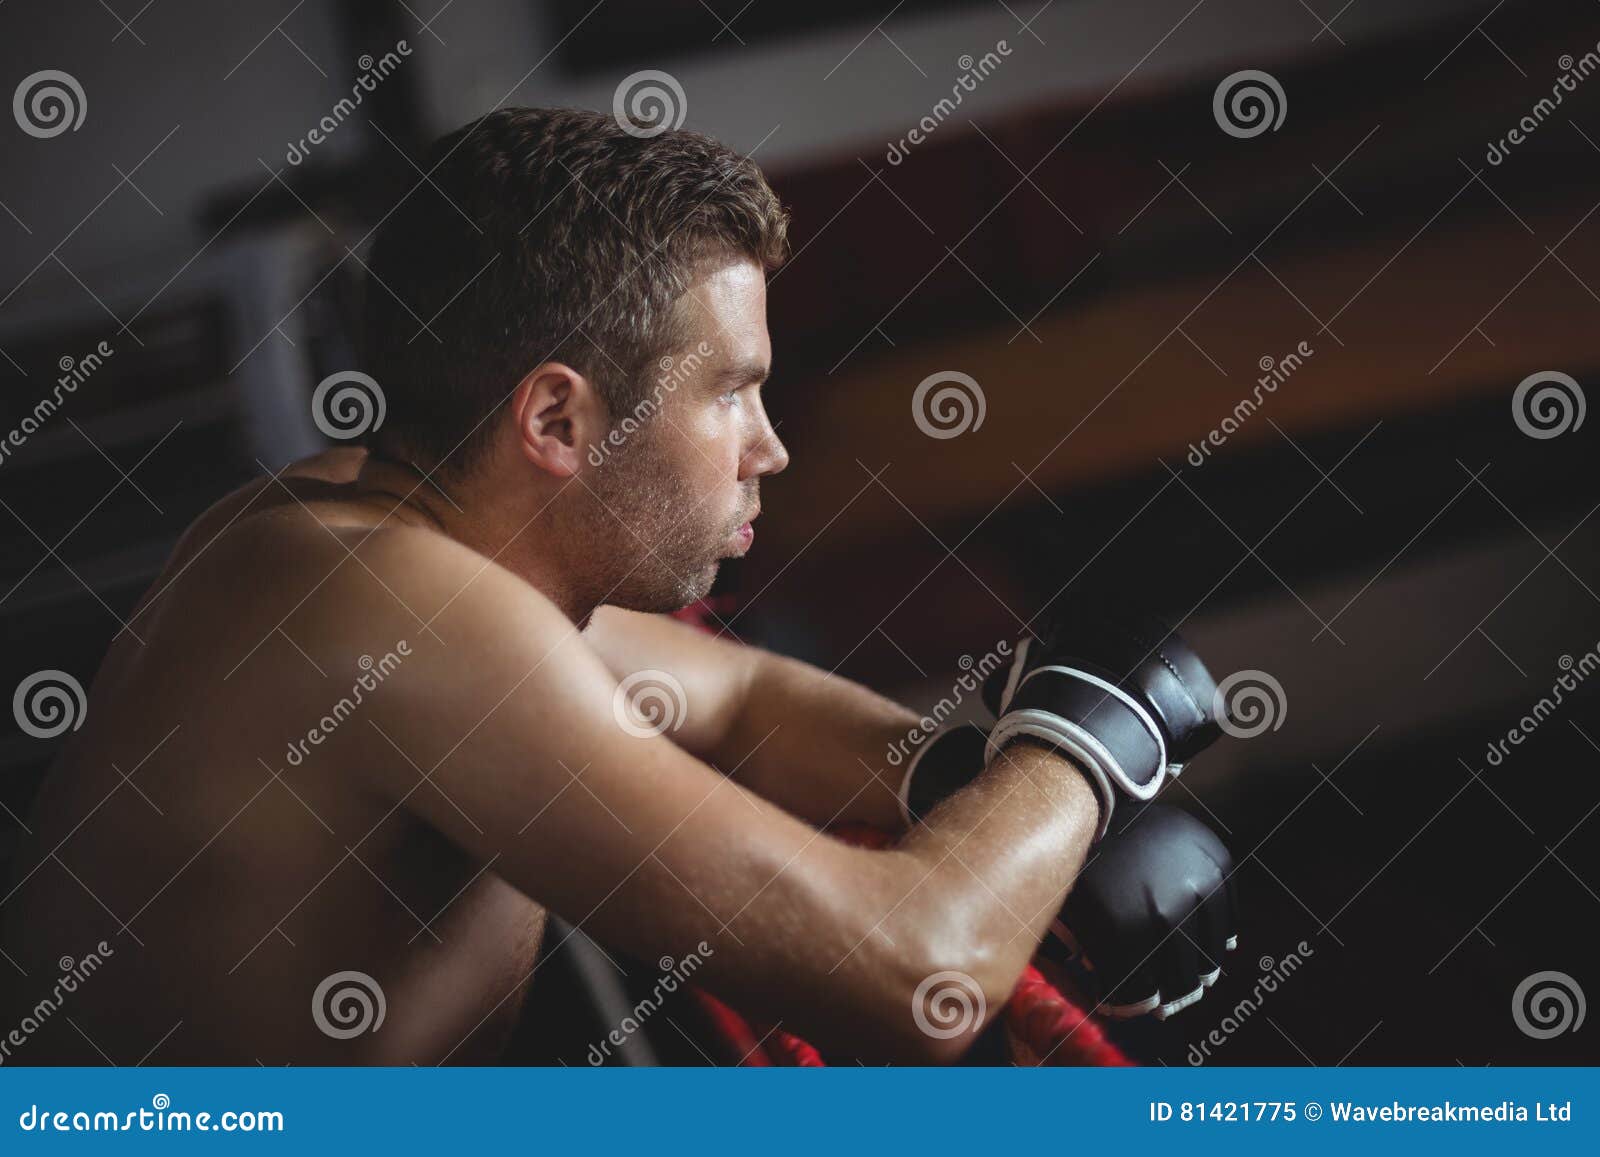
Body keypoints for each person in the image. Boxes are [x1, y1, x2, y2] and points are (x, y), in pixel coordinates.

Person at [0, 107, 1227, 1065]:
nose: (770, 444)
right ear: (557, 417)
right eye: (730, 388)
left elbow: (739, 694)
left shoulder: (398, 530)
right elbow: (920, 974)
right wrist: (1081, 748)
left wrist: (977, 790)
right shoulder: (389, 614)